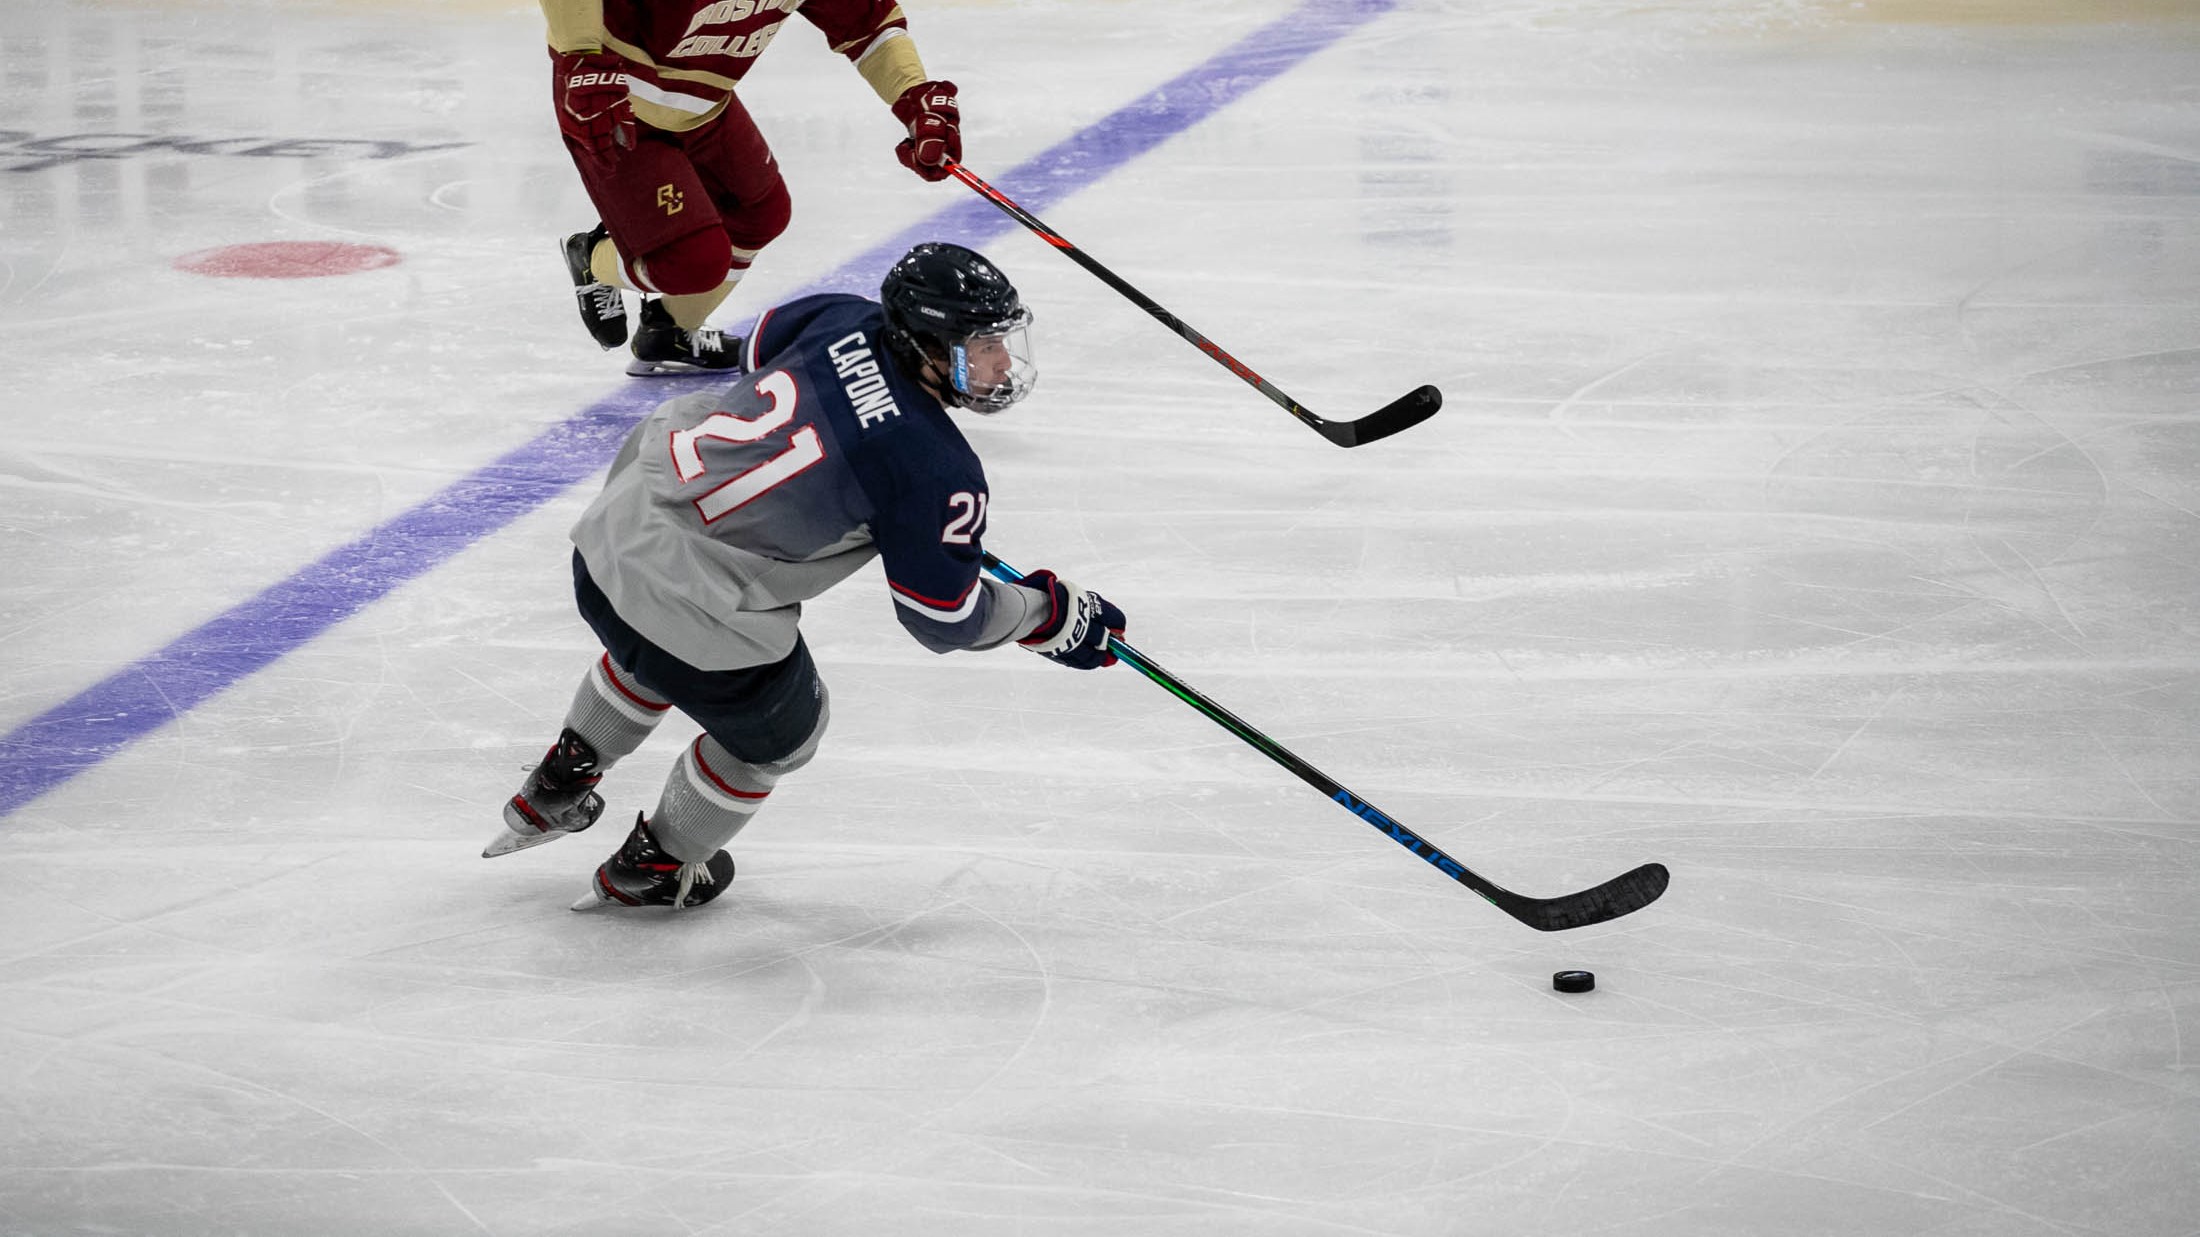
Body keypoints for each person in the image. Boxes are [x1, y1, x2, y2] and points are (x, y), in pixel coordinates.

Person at [487, 242, 1127, 910]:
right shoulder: (939, 470)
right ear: (925, 347)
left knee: (653, 634)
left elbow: (761, 352)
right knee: (782, 736)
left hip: (608, 540)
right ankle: (656, 865)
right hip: (686, 609)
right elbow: (943, 619)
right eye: (978, 347)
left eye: (1001, 341)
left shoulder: (843, 315)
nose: (1000, 364)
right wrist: (1044, 613)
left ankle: (562, 775)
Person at [540, 0, 966, 376]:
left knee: (761, 213)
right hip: (613, 101)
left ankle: (669, 332)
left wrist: (914, 97)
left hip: (704, 103)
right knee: (692, 264)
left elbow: (869, 25)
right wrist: (580, 55)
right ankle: (592, 258)